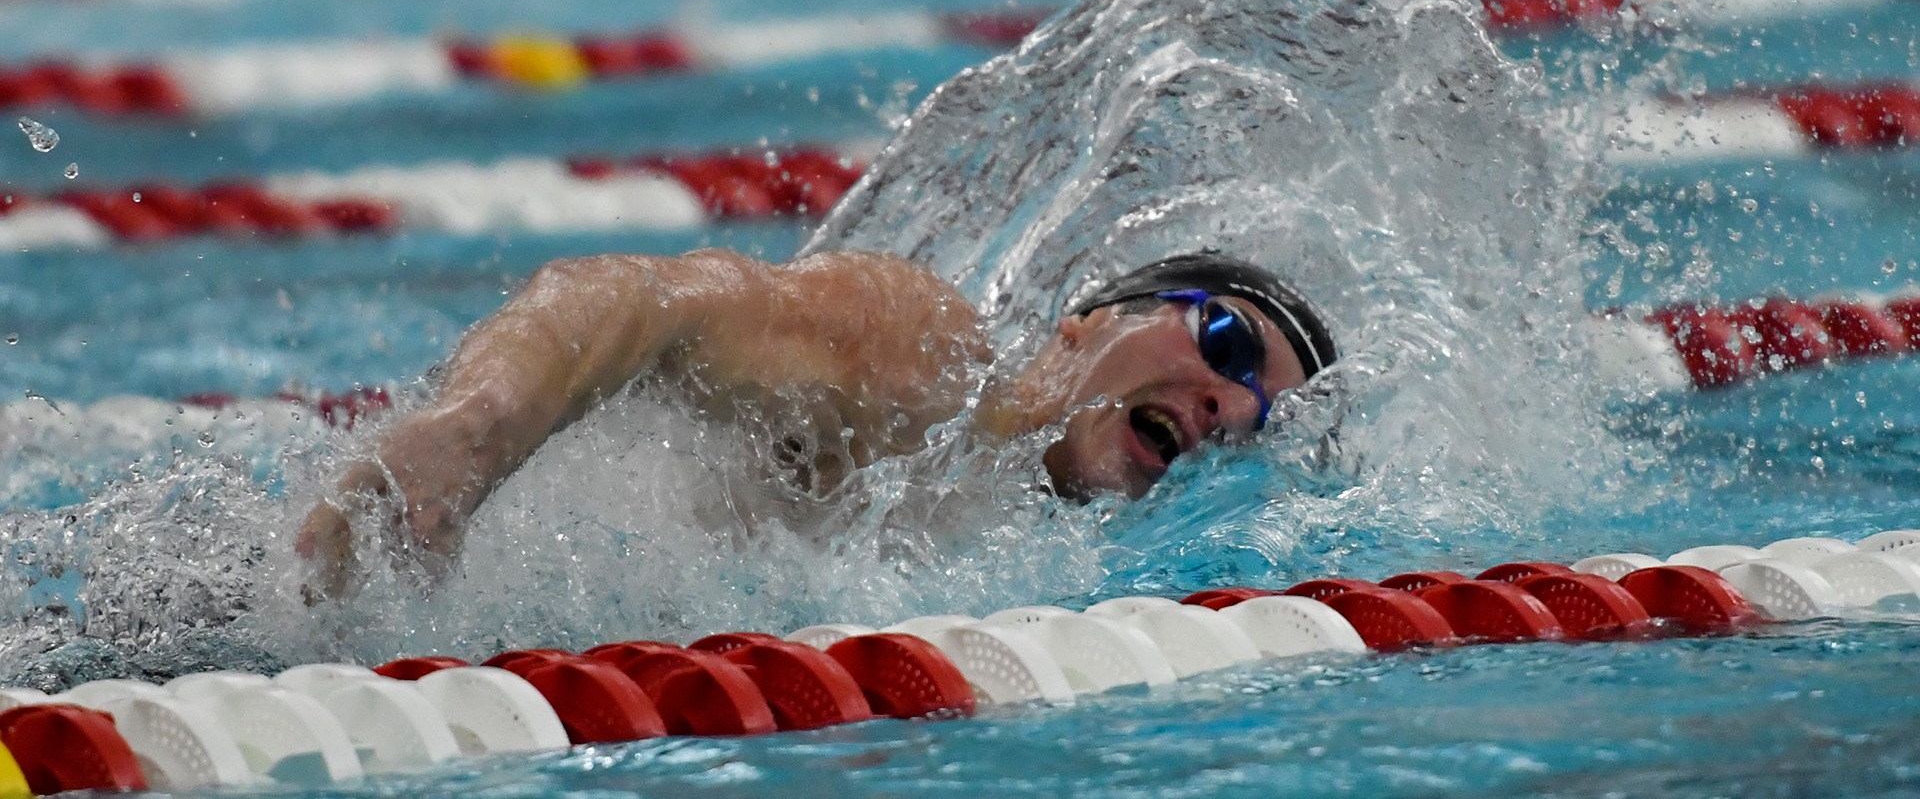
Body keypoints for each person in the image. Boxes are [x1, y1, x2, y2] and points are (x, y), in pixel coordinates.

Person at [295, 247, 1337, 601]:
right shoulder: (925, 367)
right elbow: (649, 298)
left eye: (1258, 424)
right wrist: (478, 427)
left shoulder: (1067, 574)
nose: (1229, 406)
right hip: (347, 569)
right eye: (1230, 346)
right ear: (1088, 323)